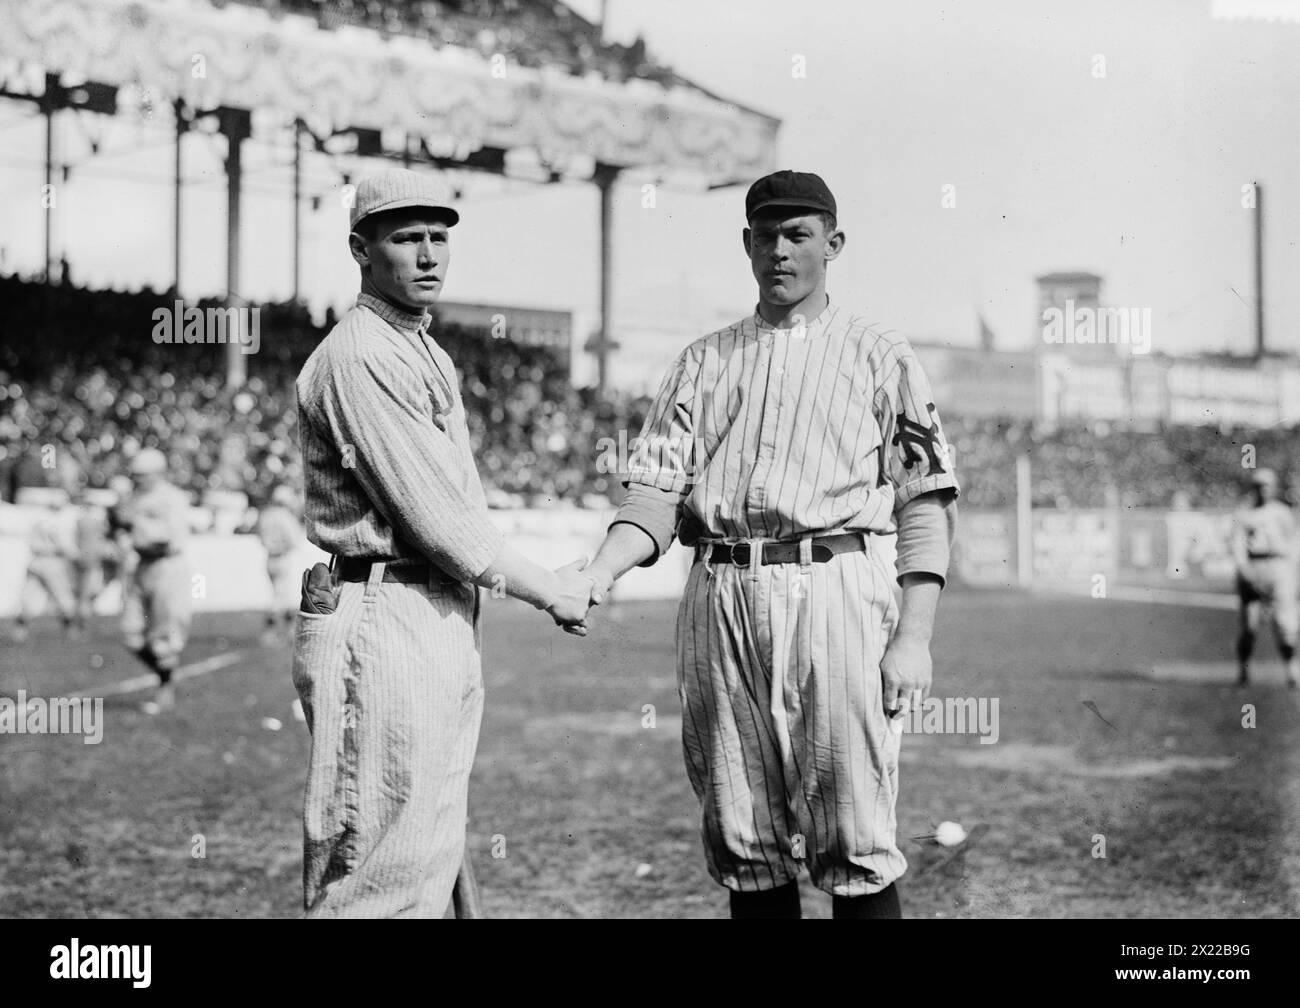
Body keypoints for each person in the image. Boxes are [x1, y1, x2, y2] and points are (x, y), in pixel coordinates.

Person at [580, 170, 960, 919]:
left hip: (836, 583)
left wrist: (913, 639)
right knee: (743, 835)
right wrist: (600, 570)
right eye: (766, 235)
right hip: (721, 592)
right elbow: (654, 492)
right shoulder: (702, 360)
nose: (779, 251)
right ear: (746, 243)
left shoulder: (879, 352)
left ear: (833, 243)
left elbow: (924, 503)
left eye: (798, 235)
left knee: (853, 831)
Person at [291, 168, 595, 918]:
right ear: (362, 250)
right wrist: (550, 588)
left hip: (427, 609)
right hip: (380, 605)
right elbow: (439, 520)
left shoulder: (421, 346)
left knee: (425, 850)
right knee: (373, 867)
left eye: (438, 237)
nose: (428, 254)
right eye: (406, 238)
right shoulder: (361, 353)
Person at [121, 448, 193, 713]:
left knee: (165, 633)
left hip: (166, 565)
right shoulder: (134, 498)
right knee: (131, 633)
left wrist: (136, 527)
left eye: (142, 475)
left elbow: (165, 539)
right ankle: (166, 676)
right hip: (142, 565)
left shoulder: (171, 498)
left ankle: (164, 690)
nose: (136, 479)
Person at [1230, 468, 1299, 688]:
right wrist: (1244, 570)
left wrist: (1291, 573)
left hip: (1278, 567)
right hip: (1254, 565)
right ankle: (1244, 669)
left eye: (1267, 486)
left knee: (1285, 624)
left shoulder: (1282, 512)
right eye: (1259, 486)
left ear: (1274, 487)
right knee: (1249, 627)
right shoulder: (1244, 513)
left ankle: (1291, 669)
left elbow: (1294, 544)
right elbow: (1237, 544)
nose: (1263, 491)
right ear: (1254, 488)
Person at [13, 495, 76, 642]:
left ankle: (20, 629)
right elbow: (63, 545)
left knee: (28, 595)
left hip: (36, 560)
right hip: (51, 560)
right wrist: (73, 555)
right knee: (62, 595)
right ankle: (71, 628)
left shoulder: (38, 519)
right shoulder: (56, 522)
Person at [257, 484, 303, 644]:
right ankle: (274, 632)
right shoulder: (285, 516)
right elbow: (294, 539)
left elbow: (261, 539)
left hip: (269, 558)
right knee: (281, 597)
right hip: (282, 558)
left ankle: (286, 631)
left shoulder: (265, 515)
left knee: (280, 595)